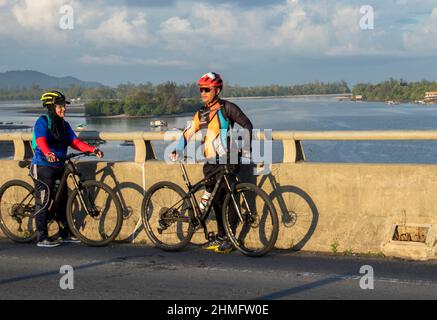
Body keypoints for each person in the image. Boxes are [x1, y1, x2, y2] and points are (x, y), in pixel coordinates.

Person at [170, 72, 253, 253]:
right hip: (210, 162)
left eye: (207, 89)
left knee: (229, 198)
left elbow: (247, 125)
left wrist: (245, 148)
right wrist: (177, 148)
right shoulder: (201, 113)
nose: (203, 92)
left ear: (217, 90)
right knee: (215, 198)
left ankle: (228, 238)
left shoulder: (227, 108)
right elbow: (188, 132)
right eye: (201, 89)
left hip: (228, 159)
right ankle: (221, 236)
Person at [30, 90, 104, 247]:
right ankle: (41, 237)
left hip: (59, 165)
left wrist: (92, 149)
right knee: (43, 200)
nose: (63, 109)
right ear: (51, 107)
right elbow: (41, 140)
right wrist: (48, 153)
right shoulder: (42, 122)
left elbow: (75, 142)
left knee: (62, 200)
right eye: (60, 106)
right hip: (43, 166)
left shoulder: (64, 125)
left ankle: (65, 234)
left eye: (63, 106)